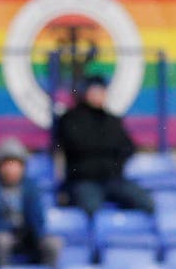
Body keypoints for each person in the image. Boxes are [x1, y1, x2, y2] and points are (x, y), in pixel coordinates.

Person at [57, 75, 155, 216]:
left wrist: (112, 162)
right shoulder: (70, 119)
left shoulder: (112, 120)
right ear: (84, 93)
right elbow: (77, 146)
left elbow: (128, 147)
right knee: (92, 209)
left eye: (102, 91)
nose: (99, 95)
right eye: (95, 91)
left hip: (113, 180)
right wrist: (106, 149)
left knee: (147, 203)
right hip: (84, 181)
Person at [0, 137, 62, 268]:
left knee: (53, 243)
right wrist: (10, 230)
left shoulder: (30, 186)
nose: (11, 169)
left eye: (15, 164)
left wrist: (38, 236)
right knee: (2, 240)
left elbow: (37, 218)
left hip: (26, 236)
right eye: (7, 163)